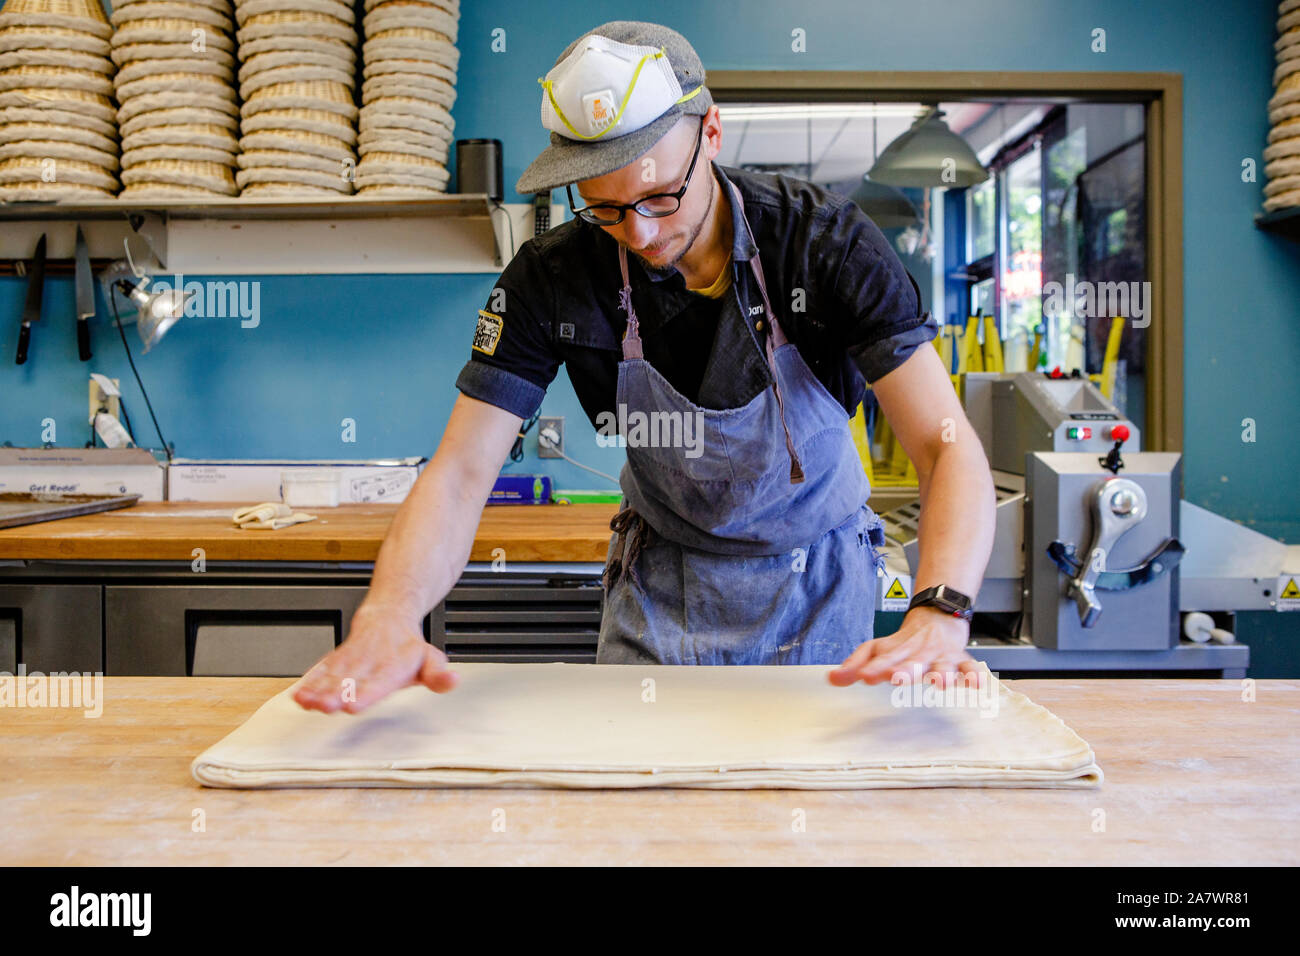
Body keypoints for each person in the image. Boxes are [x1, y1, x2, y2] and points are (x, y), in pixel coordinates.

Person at [294, 20, 996, 715]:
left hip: (818, 583)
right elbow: (460, 471)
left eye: (661, 196)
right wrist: (389, 612)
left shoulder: (825, 245)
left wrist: (941, 610)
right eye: (605, 209)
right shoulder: (555, 277)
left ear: (711, 134)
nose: (642, 233)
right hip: (662, 586)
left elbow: (944, 446)